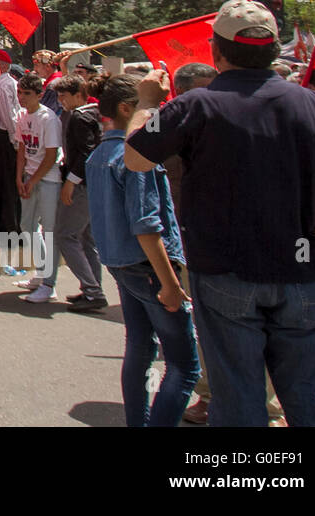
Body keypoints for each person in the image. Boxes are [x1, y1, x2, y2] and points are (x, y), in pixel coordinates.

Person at [125, 0, 315, 426]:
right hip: (304, 274)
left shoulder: (195, 105)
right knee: (307, 404)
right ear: (273, 49)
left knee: (240, 405)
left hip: (228, 273)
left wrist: (147, 100)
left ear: (217, 50)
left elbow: (136, 157)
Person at [87, 73, 199, 426]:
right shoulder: (134, 157)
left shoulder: (100, 154)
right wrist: (169, 281)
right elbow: (146, 225)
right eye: (147, 105)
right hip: (148, 268)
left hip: (123, 266)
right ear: (126, 109)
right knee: (185, 365)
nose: (156, 113)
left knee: (139, 346)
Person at [54, 73, 107, 312]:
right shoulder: (94, 113)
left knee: (66, 235)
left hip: (82, 184)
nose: (60, 100)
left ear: (78, 95)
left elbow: (86, 152)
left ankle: (93, 291)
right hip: (93, 183)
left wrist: (71, 181)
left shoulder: (79, 117)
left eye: (64, 96)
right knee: (86, 238)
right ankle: (92, 288)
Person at [15, 72, 63, 303]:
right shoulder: (22, 116)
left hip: (48, 179)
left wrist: (32, 180)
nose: (22, 98)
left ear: (39, 95)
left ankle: (49, 283)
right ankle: (42, 274)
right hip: (29, 177)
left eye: (27, 94)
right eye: (20, 93)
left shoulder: (49, 118)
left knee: (50, 230)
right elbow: (22, 148)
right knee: (27, 226)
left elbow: (52, 155)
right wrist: (19, 178)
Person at [0, 49, 22, 238]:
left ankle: (8, 227)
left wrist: (14, 141)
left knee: (4, 184)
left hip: (3, 137)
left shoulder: (4, 84)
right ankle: (1, 225)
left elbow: (9, 116)